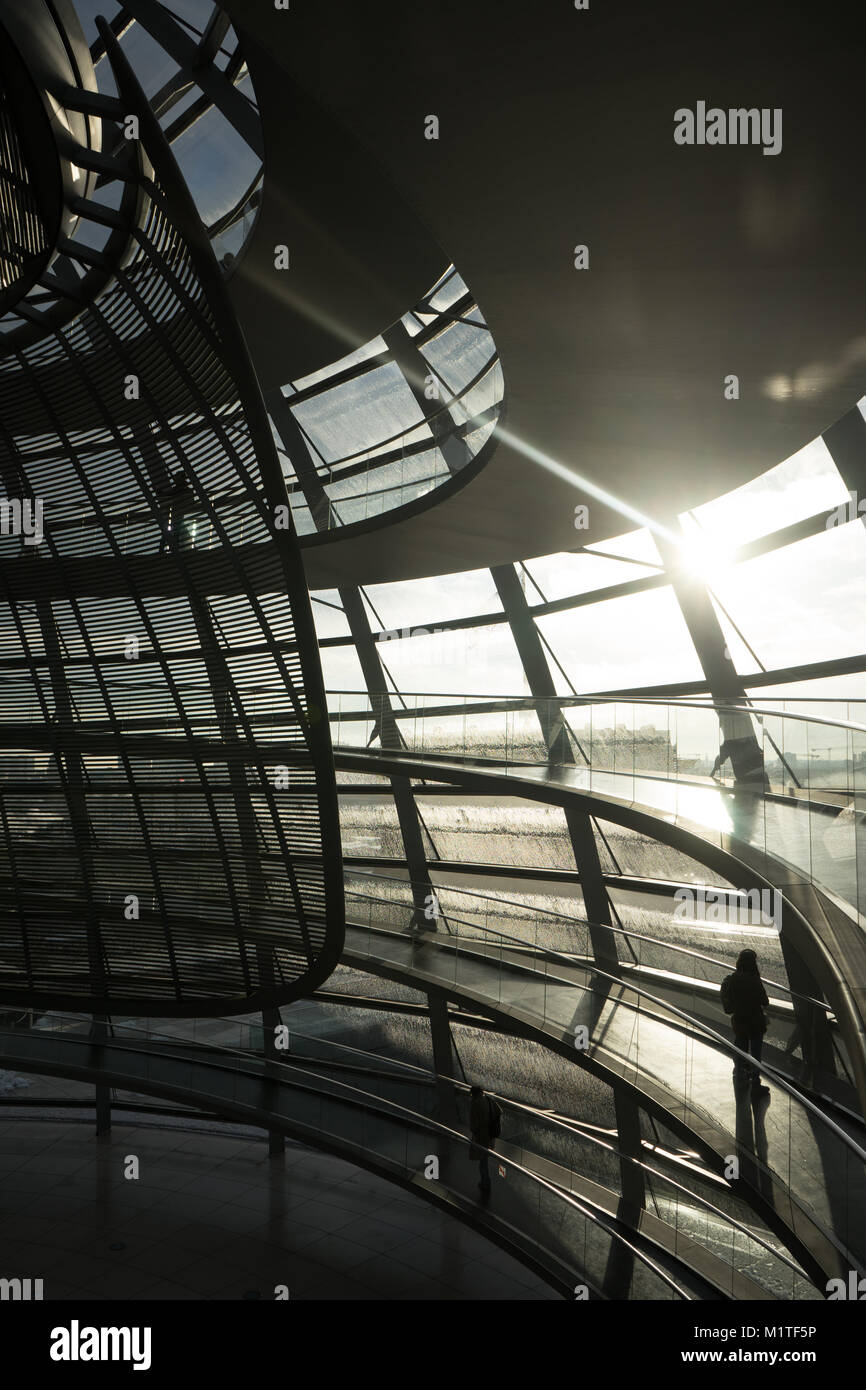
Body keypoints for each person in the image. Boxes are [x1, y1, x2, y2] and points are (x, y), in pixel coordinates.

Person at [720, 949, 770, 1094]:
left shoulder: (733, 979)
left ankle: (740, 1077)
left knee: (740, 1049)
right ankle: (755, 1082)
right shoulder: (754, 979)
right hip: (755, 1021)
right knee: (756, 1053)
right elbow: (765, 1001)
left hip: (739, 1021)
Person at [468, 1085, 501, 1194]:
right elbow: (499, 1111)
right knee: (484, 1159)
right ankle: (485, 1182)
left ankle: (485, 1182)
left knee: (483, 1161)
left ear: (474, 1094)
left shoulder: (475, 1104)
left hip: (482, 1136)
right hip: (491, 1134)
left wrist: (476, 1130)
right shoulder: (489, 1099)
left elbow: (474, 1125)